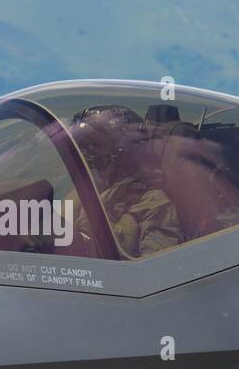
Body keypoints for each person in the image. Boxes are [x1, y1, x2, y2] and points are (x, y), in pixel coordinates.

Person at [67, 105, 183, 258]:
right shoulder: (82, 195)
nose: (86, 156)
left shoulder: (153, 203)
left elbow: (155, 271)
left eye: (93, 145)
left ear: (122, 153)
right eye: (81, 148)